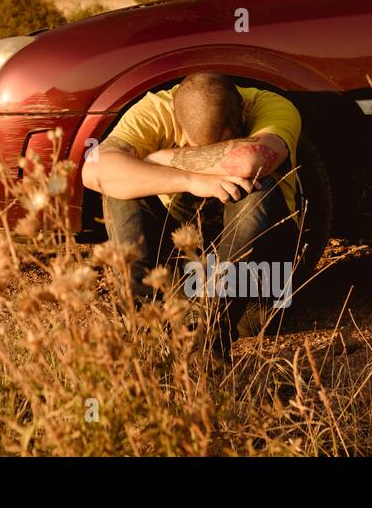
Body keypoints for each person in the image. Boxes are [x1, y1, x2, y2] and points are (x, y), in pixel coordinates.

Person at [81, 71, 302, 353]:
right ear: (174, 114)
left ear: (244, 109)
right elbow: (94, 170)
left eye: (221, 143)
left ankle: (210, 344)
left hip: (253, 296)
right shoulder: (154, 110)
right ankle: (146, 332)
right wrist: (191, 180)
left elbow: (250, 161)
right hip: (182, 283)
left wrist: (161, 158)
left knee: (257, 187)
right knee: (121, 189)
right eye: (197, 146)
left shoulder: (271, 106)